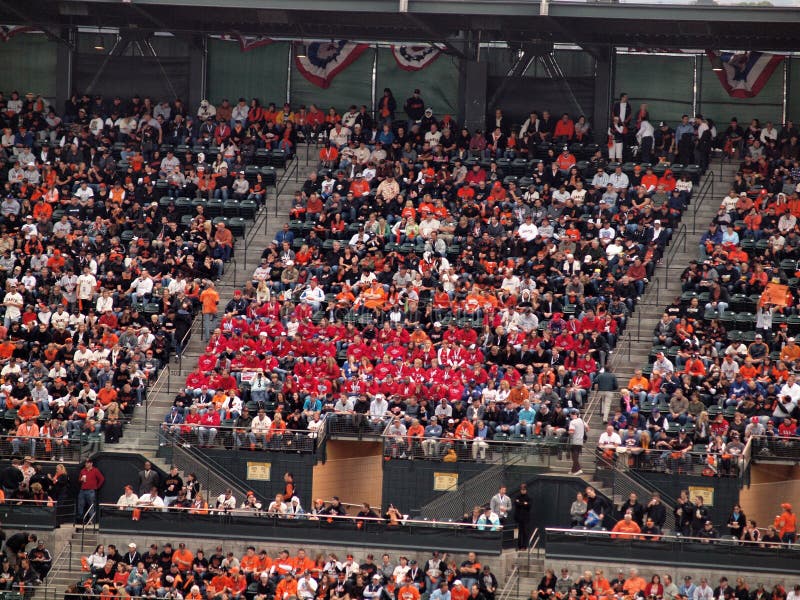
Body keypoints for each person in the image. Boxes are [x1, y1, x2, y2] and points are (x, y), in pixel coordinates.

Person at [77, 458, 104, 523]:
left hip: (91, 491)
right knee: (80, 505)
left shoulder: (95, 470)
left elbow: (102, 479)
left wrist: (97, 487)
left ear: (91, 463)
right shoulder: (83, 470)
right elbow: (79, 480)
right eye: (85, 463)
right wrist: (81, 480)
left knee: (91, 505)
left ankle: (92, 521)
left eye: (87, 463)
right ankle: (81, 520)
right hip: (82, 490)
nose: (86, 464)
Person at [567, 409, 586, 475]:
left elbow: (571, 432)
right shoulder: (581, 420)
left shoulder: (572, 422)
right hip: (580, 441)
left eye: (571, 414)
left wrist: (567, 432)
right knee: (576, 456)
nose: (570, 416)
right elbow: (587, 428)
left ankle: (579, 469)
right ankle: (573, 470)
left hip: (574, 441)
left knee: (574, 457)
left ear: (573, 415)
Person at [514, 483, 531, 549]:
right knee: (518, 532)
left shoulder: (528, 497)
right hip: (518, 518)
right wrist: (524, 503)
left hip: (525, 519)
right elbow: (516, 503)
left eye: (524, 489)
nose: (523, 491)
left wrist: (520, 503)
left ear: (526, 490)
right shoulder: (517, 496)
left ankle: (524, 546)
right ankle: (519, 546)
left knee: (525, 532)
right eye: (522, 489)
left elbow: (529, 505)